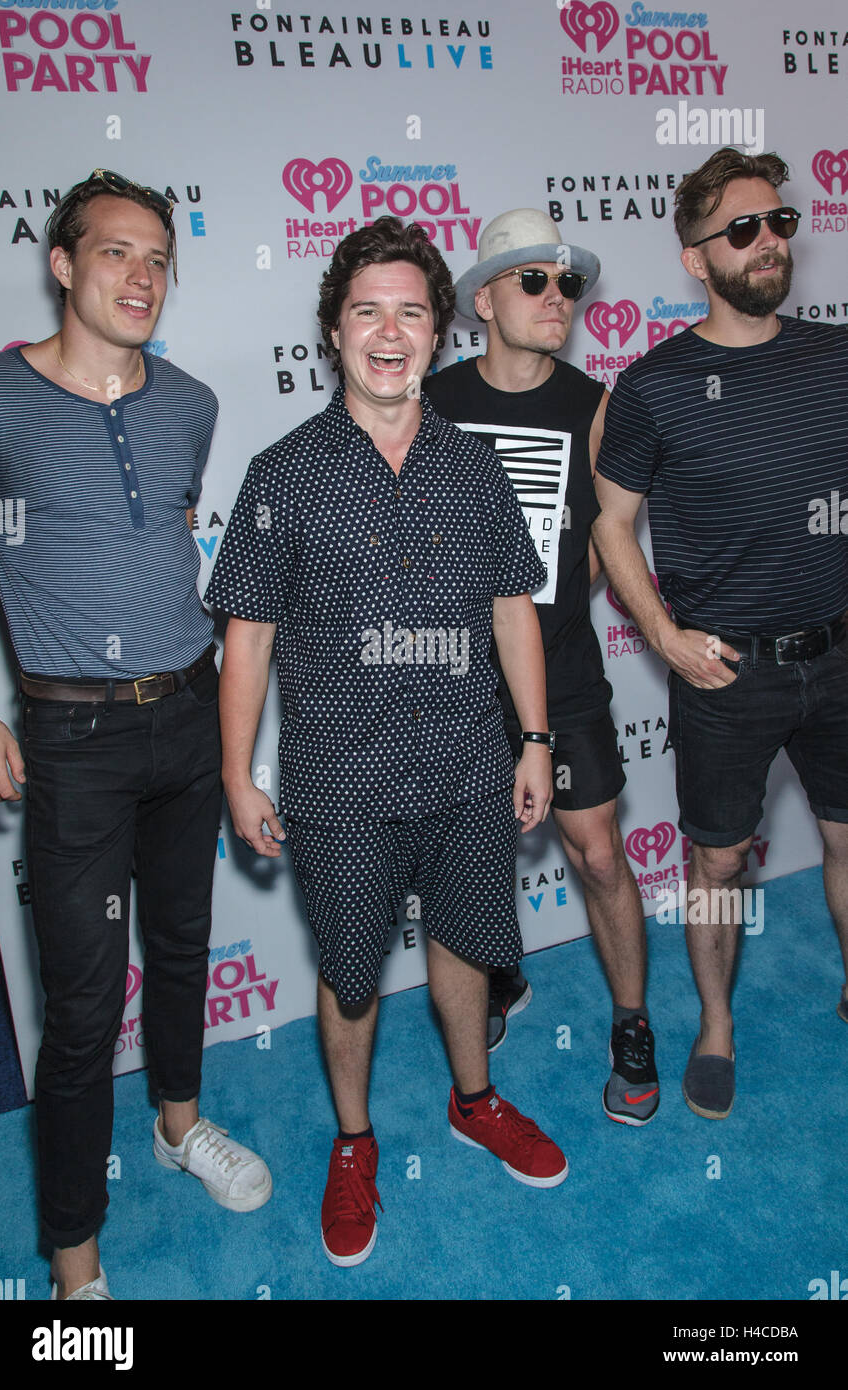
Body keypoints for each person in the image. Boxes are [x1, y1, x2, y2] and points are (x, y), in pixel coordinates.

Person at [206, 215, 568, 1269]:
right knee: (353, 970)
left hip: (465, 764)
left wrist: (534, 740)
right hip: (339, 781)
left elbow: (512, 612)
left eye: (411, 310)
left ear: (440, 331)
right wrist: (237, 773)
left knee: (463, 940)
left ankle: (472, 1099)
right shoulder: (282, 474)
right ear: (332, 331)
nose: (389, 330)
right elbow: (248, 638)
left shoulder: (475, 466)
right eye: (366, 309)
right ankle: (355, 1142)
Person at [0, 170, 271, 1301]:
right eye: (115, 253)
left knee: (187, 951)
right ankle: (75, 1268)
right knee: (83, 1010)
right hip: (72, 743)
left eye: (158, 256)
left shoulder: (190, 400)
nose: (142, 275)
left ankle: (178, 1124)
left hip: (188, 717)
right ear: (62, 264)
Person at [593, 147, 848, 1119]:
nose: (767, 240)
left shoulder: (833, 357)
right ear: (696, 259)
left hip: (837, 652)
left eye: (776, 222)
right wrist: (660, 635)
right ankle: (713, 1023)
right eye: (741, 228)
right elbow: (610, 525)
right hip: (723, 675)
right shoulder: (652, 385)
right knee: (715, 862)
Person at [424, 209, 659, 1126]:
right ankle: (499, 972)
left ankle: (632, 1022)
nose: (557, 297)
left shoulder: (594, 404)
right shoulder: (434, 403)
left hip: (559, 668)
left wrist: (554, 612)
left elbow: (608, 533)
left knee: (598, 852)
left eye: (568, 283)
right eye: (534, 281)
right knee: (465, 856)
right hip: (452, 676)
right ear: (485, 299)